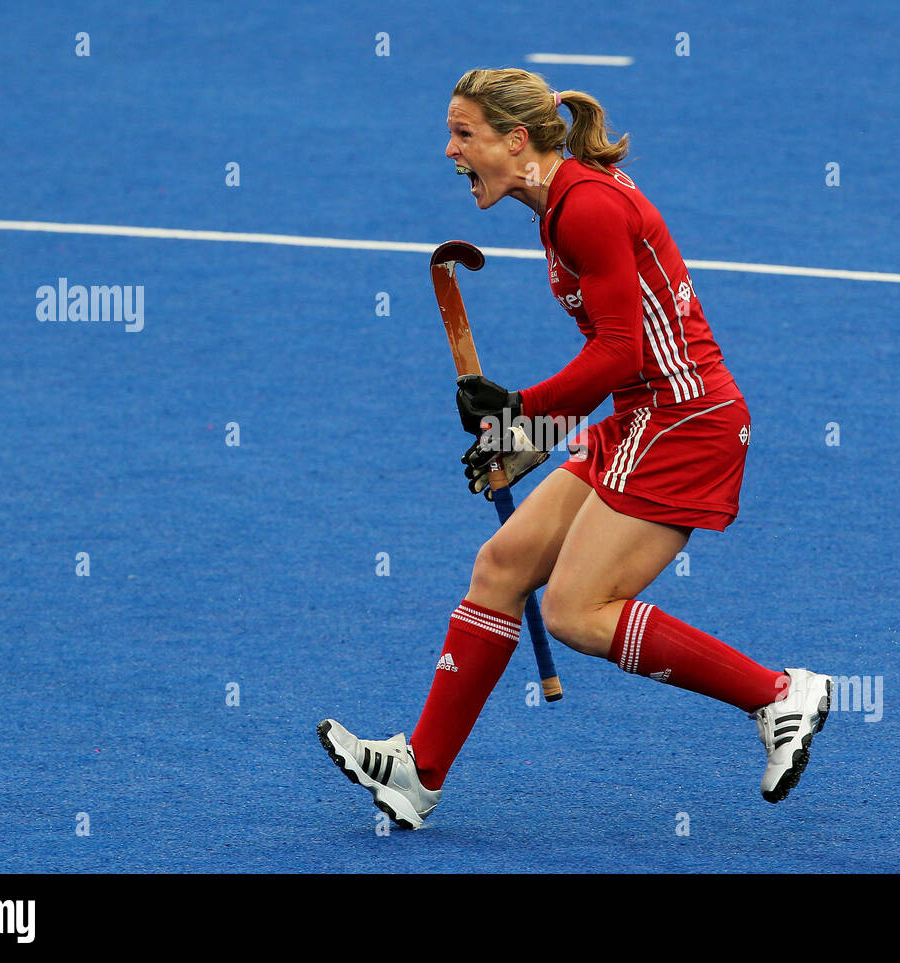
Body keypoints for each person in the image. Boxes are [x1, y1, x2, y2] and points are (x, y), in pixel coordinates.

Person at [319, 68, 831, 829]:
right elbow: (619, 361)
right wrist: (533, 436)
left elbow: (622, 352)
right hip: (640, 415)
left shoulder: (584, 208)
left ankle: (779, 693)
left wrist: (524, 409)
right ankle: (419, 770)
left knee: (575, 610)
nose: (450, 151)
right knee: (501, 566)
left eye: (464, 134)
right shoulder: (562, 201)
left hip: (684, 424)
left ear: (515, 139)